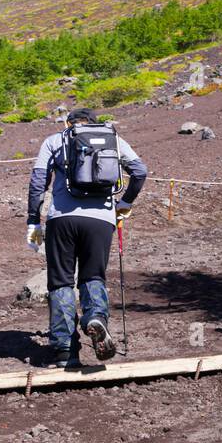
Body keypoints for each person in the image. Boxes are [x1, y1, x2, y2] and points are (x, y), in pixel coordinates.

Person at [26, 108, 147, 367]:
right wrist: (124, 203)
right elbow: (140, 172)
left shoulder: (55, 140)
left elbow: (38, 182)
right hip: (101, 221)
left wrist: (33, 221)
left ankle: (64, 350)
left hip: (62, 220)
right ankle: (96, 319)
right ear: (93, 123)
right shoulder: (113, 139)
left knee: (61, 282)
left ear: (68, 123)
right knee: (93, 276)